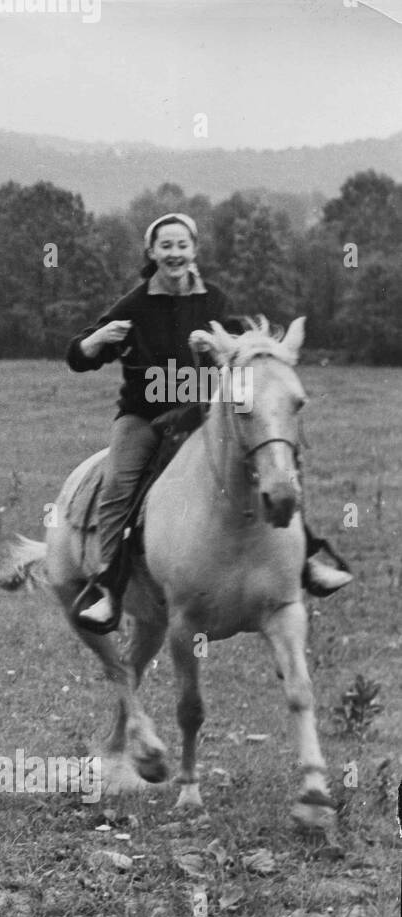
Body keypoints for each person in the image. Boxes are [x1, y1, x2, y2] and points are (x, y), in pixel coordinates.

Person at [66, 211, 351, 631]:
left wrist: (221, 344)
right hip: (145, 417)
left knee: (272, 459)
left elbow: (239, 343)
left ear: (194, 250)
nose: (175, 253)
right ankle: (110, 588)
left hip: (202, 414)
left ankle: (304, 560)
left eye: (182, 245)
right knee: (118, 485)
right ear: (151, 252)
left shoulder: (213, 300)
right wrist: (94, 341)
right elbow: (79, 358)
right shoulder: (134, 305)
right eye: (166, 246)